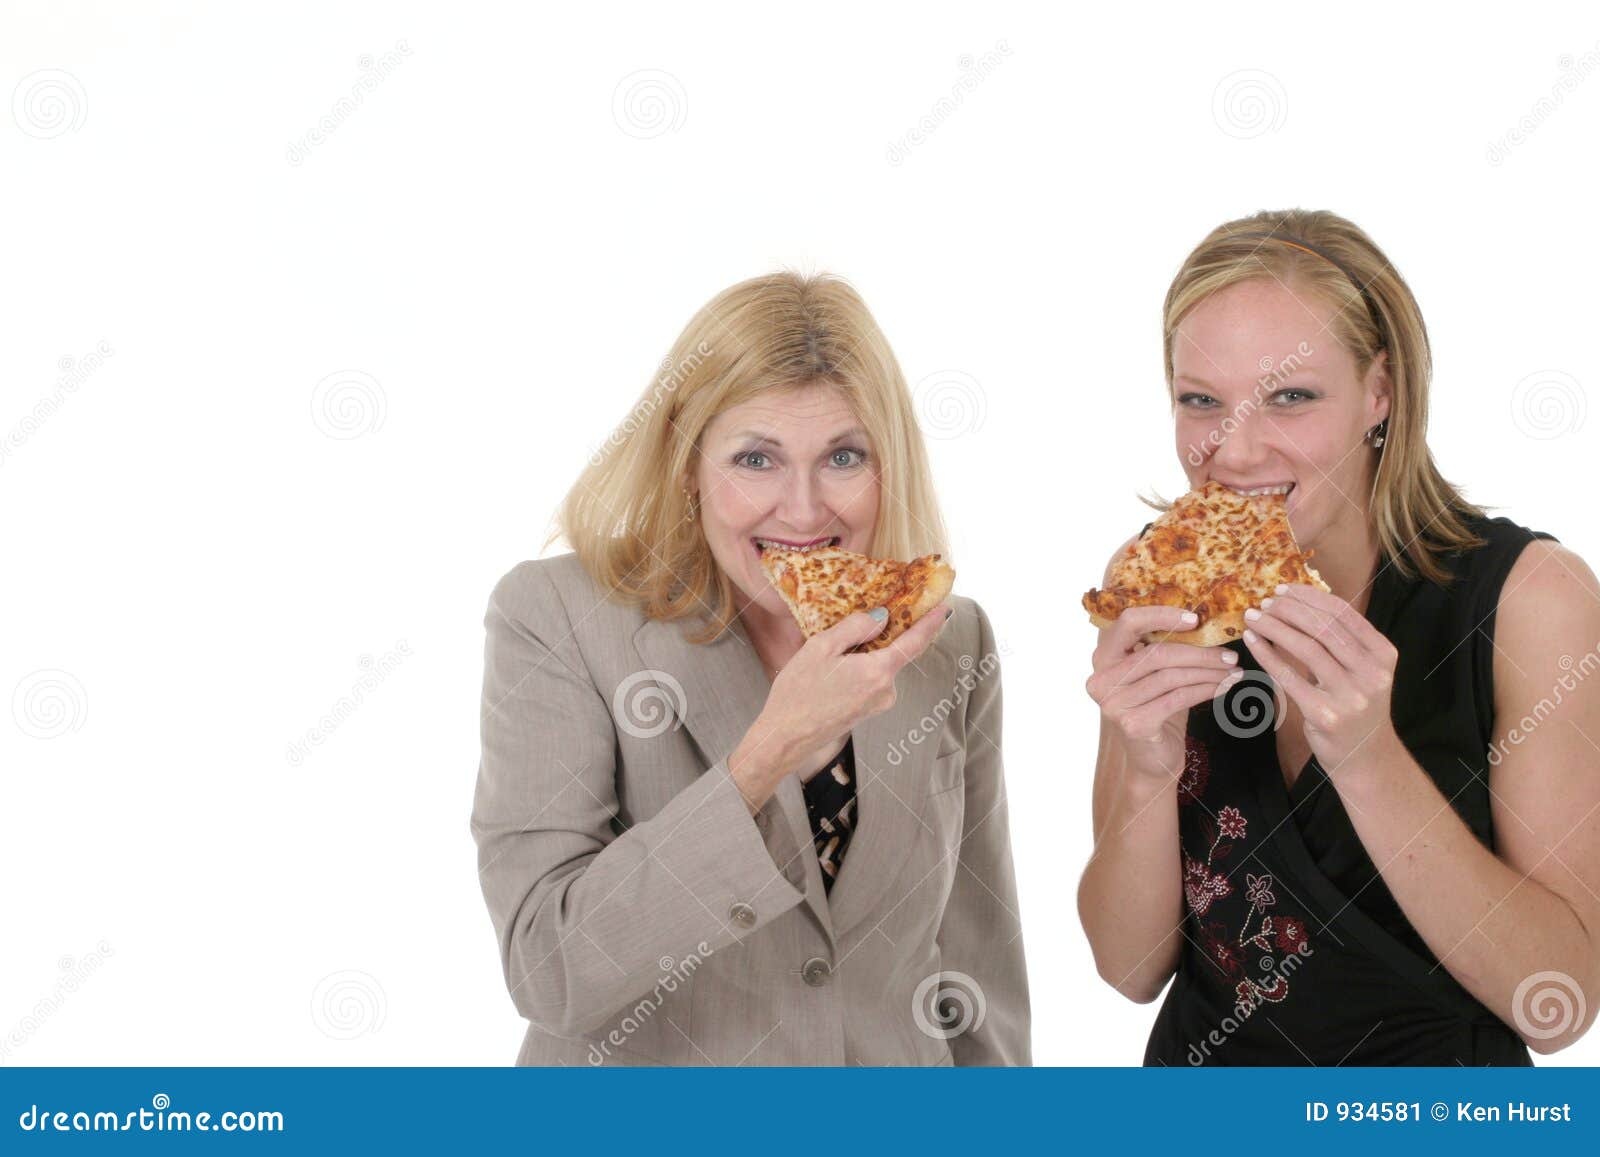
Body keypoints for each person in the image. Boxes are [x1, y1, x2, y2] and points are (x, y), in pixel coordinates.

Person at [1078, 209, 1600, 1064]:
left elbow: (1561, 1005)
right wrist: (1145, 772)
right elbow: (1128, 966)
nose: (1234, 450)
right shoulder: (1159, 583)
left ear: (1380, 391)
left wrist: (1367, 758)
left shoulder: (1533, 599)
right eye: (1200, 401)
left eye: (1290, 397)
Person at [472, 270, 1030, 1065]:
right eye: (756, 460)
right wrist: (765, 757)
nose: (802, 512)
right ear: (687, 465)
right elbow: (548, 967)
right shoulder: (559, 617)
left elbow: (980, 970)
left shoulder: (948, 637)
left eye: (843, 456)